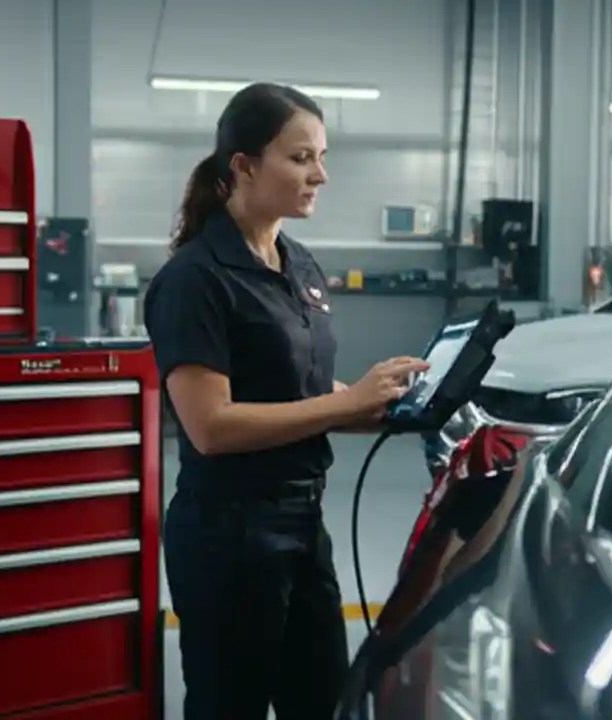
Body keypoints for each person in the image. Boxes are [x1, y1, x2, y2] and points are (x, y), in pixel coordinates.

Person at [143, 82, 430, 720]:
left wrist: (387, 408)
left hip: (303, 523)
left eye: (321, 158)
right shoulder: (194, 280)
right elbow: (211, 426)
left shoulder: (297, 264)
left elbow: (301, 393)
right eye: (301, 159)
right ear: (244, 165)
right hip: (229, 535)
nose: (320, 175)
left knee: (321, 702)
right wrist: (346, 403)